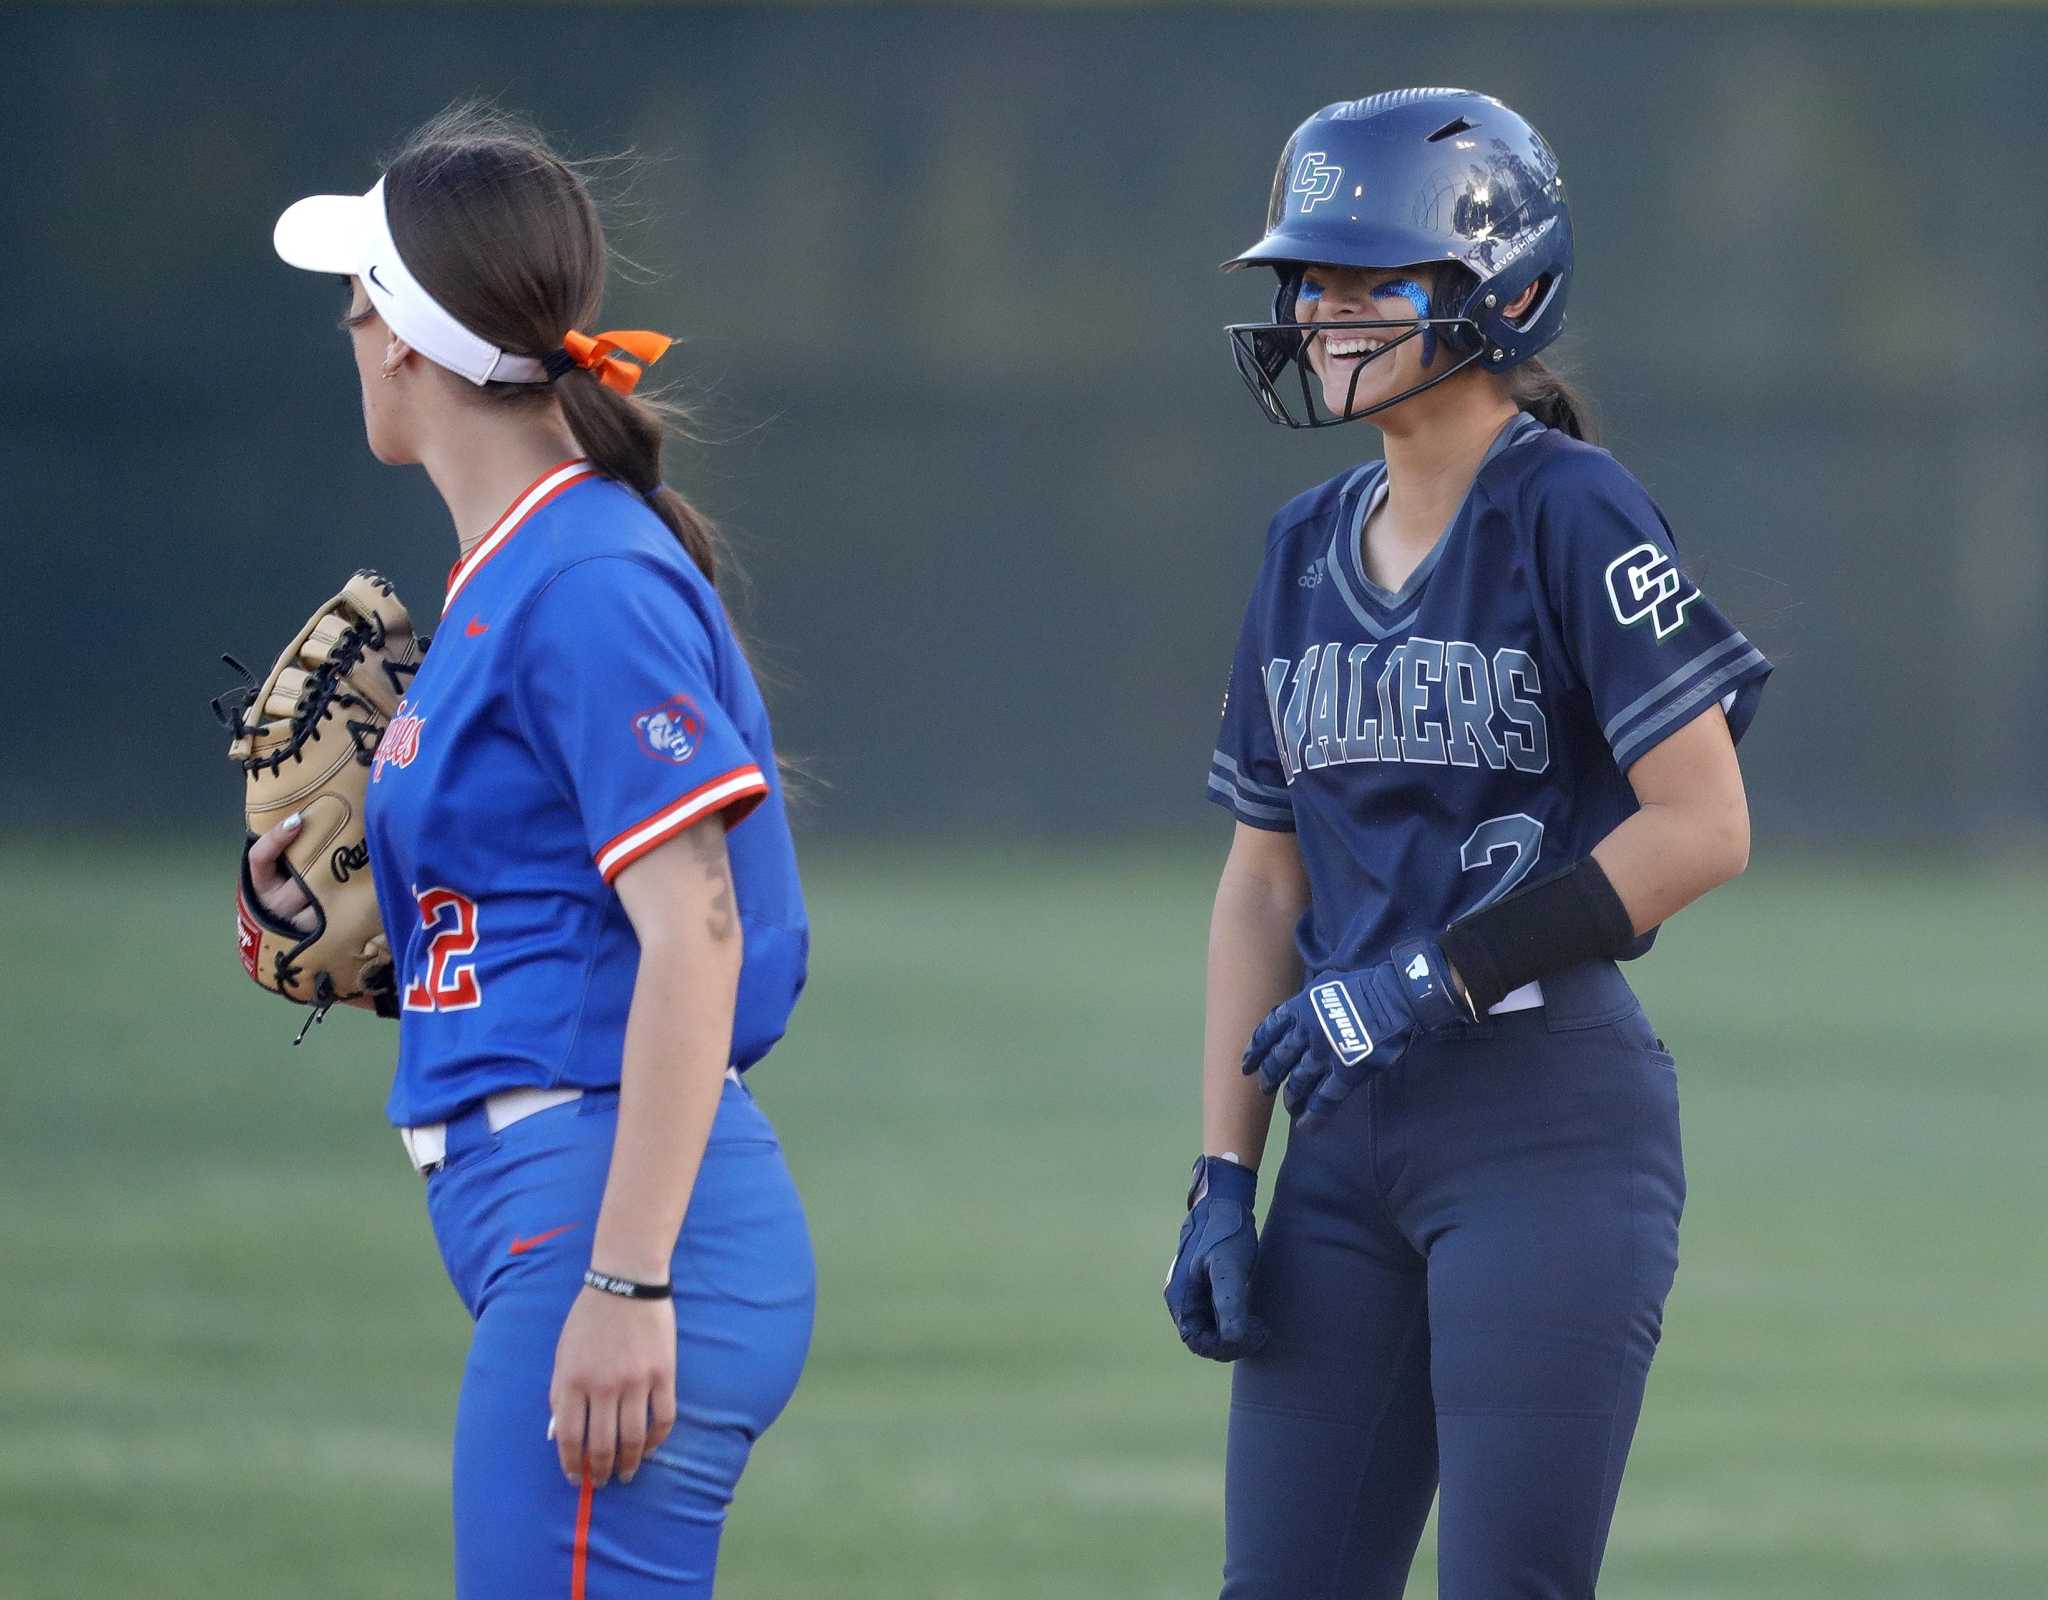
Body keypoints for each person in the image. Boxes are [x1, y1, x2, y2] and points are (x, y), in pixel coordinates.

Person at [1164, 88, 1772, 1598]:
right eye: (1308, 279)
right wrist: (1222, 1173)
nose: (1321, 310)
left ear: (1497, 289)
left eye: (1368, 277)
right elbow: (1263, 881)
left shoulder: (1572, 507)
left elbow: (1704, 826)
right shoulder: (1299, 546)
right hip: (1343, 1141)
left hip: (1541, 1123)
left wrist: (1432, 977)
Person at [247, 104, 814, 1598]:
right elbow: (549, 923)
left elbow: (698, 932)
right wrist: (340, 909)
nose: (348, 331)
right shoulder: (518, 571)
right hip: (562, 1197)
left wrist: (625, 1277)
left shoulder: (582, 580)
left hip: (616, 1214)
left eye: (356, 299)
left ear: (402, 342)